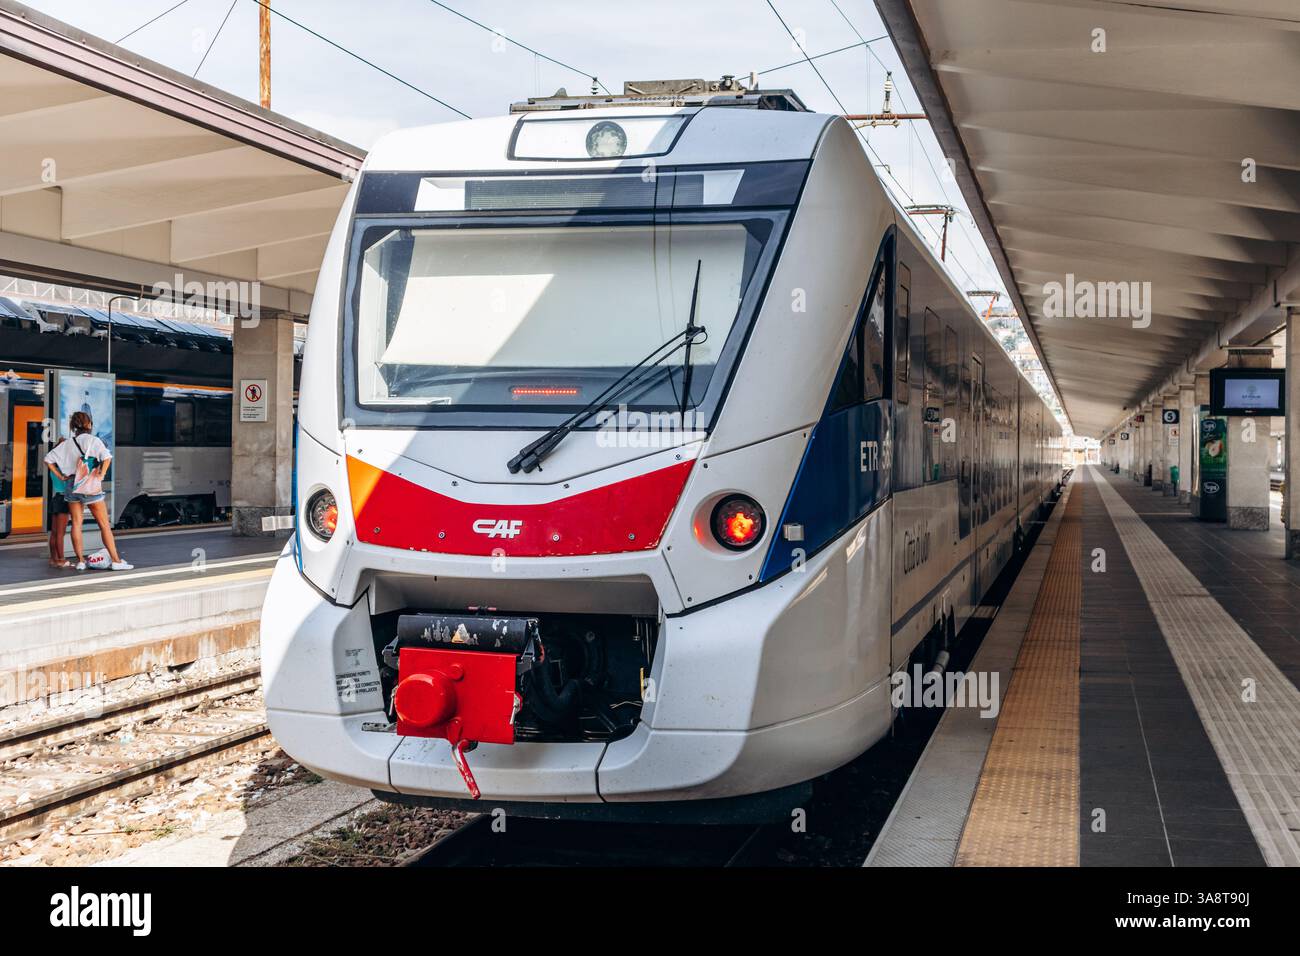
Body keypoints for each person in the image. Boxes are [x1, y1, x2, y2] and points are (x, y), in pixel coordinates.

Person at [44, 411, 132, 571]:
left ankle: (81, 561)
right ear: (89, 425)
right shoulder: (94, 440)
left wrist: (61, 476)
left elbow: (48, 459)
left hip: (72, 485)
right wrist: (101, 474)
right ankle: (116, 560)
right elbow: (107, 457)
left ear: (73, 427)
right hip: (90, 485)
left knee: (76, 524)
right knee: (104, 525)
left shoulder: (67, 444)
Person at [46, 437, 72, 569]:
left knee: (54, 532)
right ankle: (61, 560)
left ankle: (53, 558)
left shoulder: (53, 467)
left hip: (56, 498)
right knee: (61, 533)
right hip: (63, 499)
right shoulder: (64, 467)